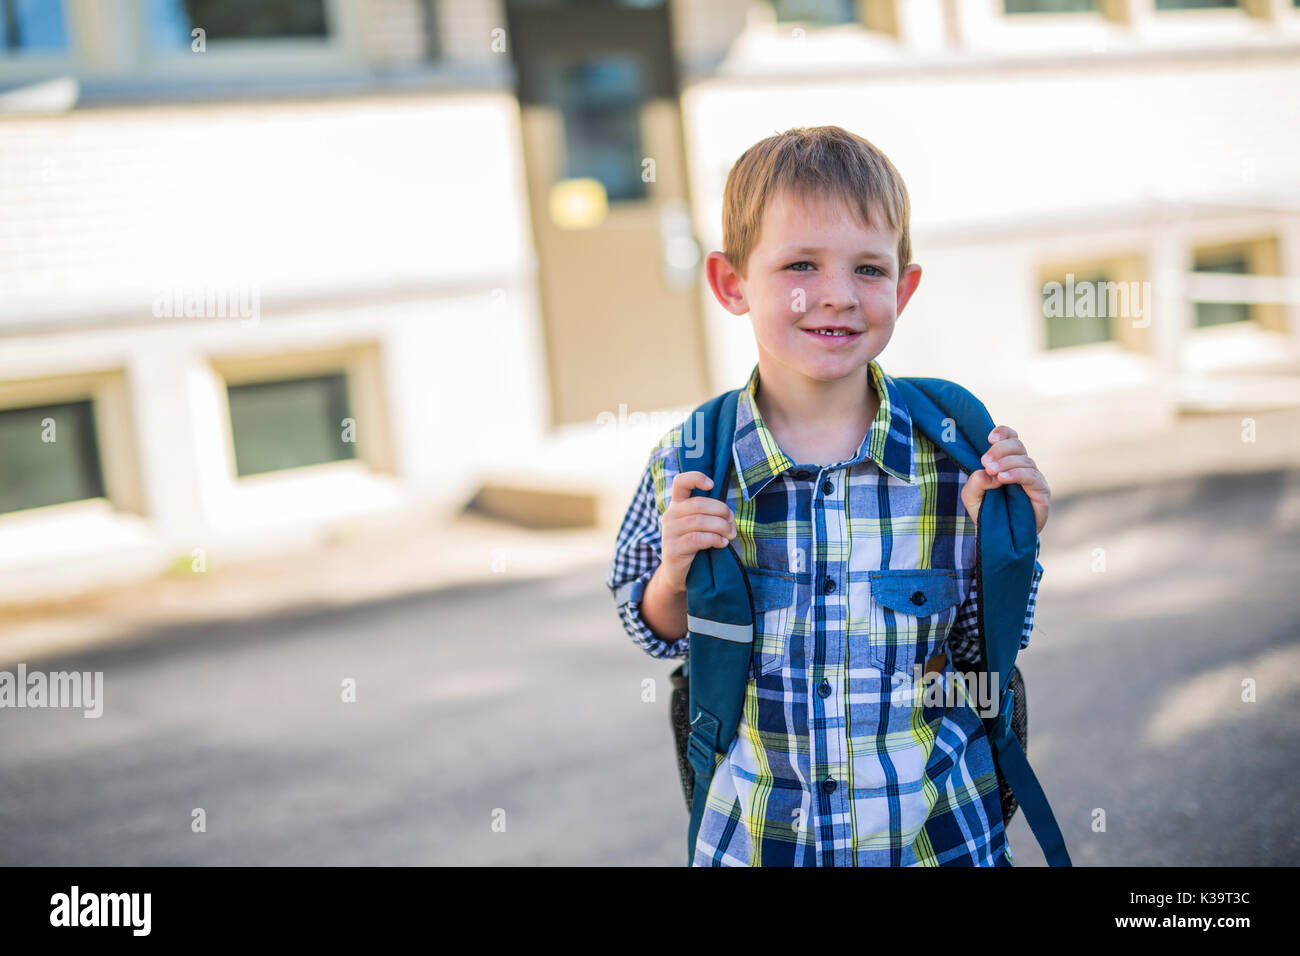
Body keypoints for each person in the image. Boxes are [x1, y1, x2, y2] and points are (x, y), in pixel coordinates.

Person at [606, 126, 1051, 866]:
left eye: (870, 269)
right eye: (801, 264)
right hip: (760, 841)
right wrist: (673, 574)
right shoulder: (694, 461)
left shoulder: (952, 457)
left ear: (903, 289)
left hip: (936, 838)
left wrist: (1011, 547)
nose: (838, 296)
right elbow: (654, 629)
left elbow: (980, 658)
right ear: (731, 284)